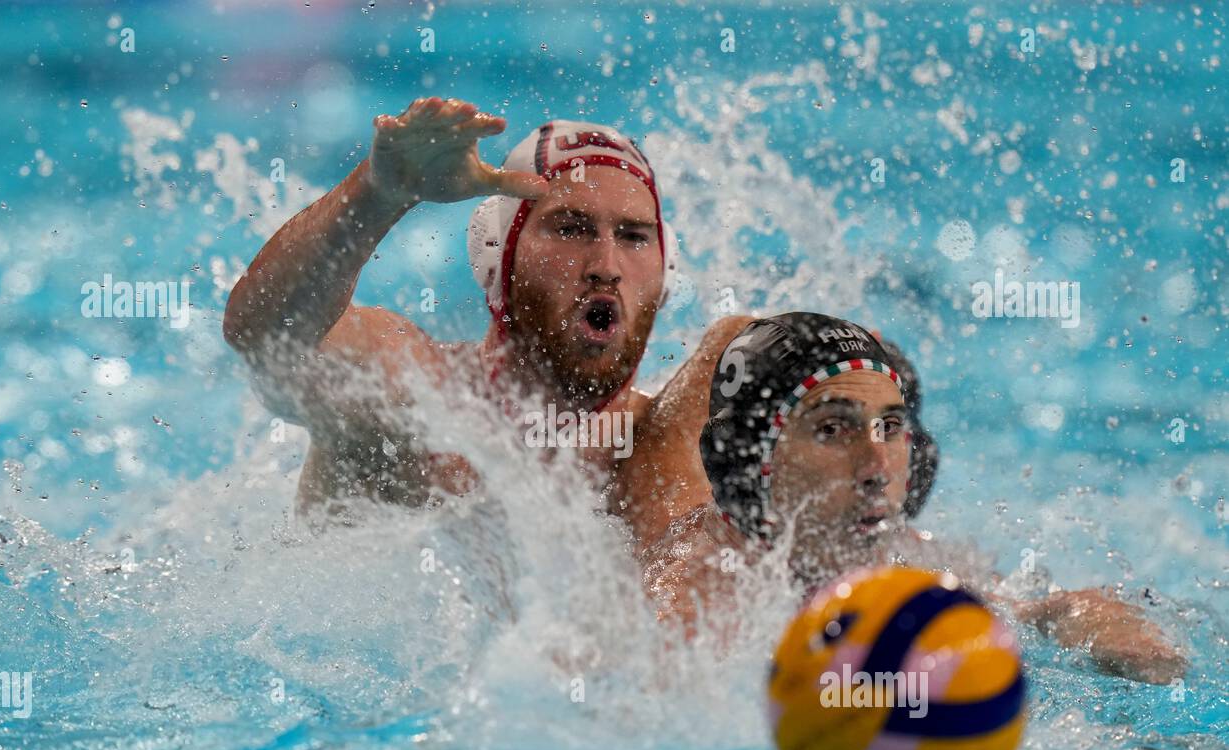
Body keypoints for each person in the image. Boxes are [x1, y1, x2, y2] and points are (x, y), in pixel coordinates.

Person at [639, 310, 1186, 685]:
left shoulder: (914, 557)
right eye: (833, 429)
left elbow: (1039, 609)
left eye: (890, 426)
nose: (877, 469)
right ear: (755, 461)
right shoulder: (700, 587)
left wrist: (1098, 624)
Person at [223, 98, 685, 518]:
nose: (606, 266)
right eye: (570, 229)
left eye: (633, 237)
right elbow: (268, 339)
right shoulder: (413, 394)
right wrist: (378, 194)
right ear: (498, 257)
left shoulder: (671, 444)